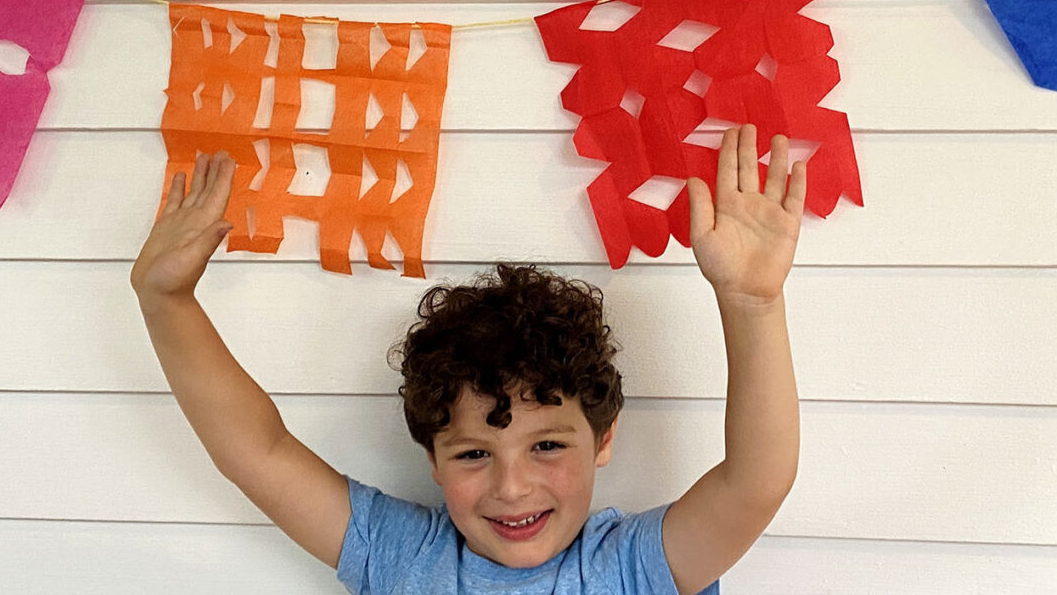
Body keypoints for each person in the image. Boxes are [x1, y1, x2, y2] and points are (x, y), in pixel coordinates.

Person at [131, 124, 805, 594]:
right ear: (432, 458)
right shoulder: (403, 557)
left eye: (546, 445)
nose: (511, 486)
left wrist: (752, 305)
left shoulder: (635, 568)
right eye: (474, 453)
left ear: (603, 438)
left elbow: (756, 483)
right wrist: (167, 303)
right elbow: (259, 453)